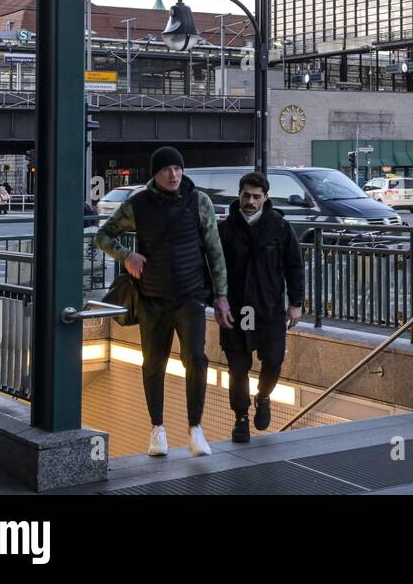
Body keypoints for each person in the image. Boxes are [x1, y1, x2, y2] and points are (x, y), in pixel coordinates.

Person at [95, 146, 232, 458]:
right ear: (155, 174)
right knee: (153, 364)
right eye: (167, 170)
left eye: (178, 169)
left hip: (191, 295)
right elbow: (102, 236)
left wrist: (222, 295)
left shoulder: (199, 202)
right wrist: (126, 255)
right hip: (152, 298)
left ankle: (195, 428)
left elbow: (215, 250)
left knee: (196, 358)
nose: (174, 174)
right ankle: (157, 428)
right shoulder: (137, 205)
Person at [219, 172, 303, 443]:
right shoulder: (226, 229)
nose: (250, 201)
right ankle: (240, 418)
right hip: (240, 309)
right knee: (238, 366)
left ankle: (264, 396)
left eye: (256, 197)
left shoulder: (279, 227)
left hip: (269, 309)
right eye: (246, 195)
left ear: (265, 198)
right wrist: (216, 300)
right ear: (239, 195)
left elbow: (294, 266)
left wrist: (296, 304)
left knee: (274, 360)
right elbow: (212, 268)